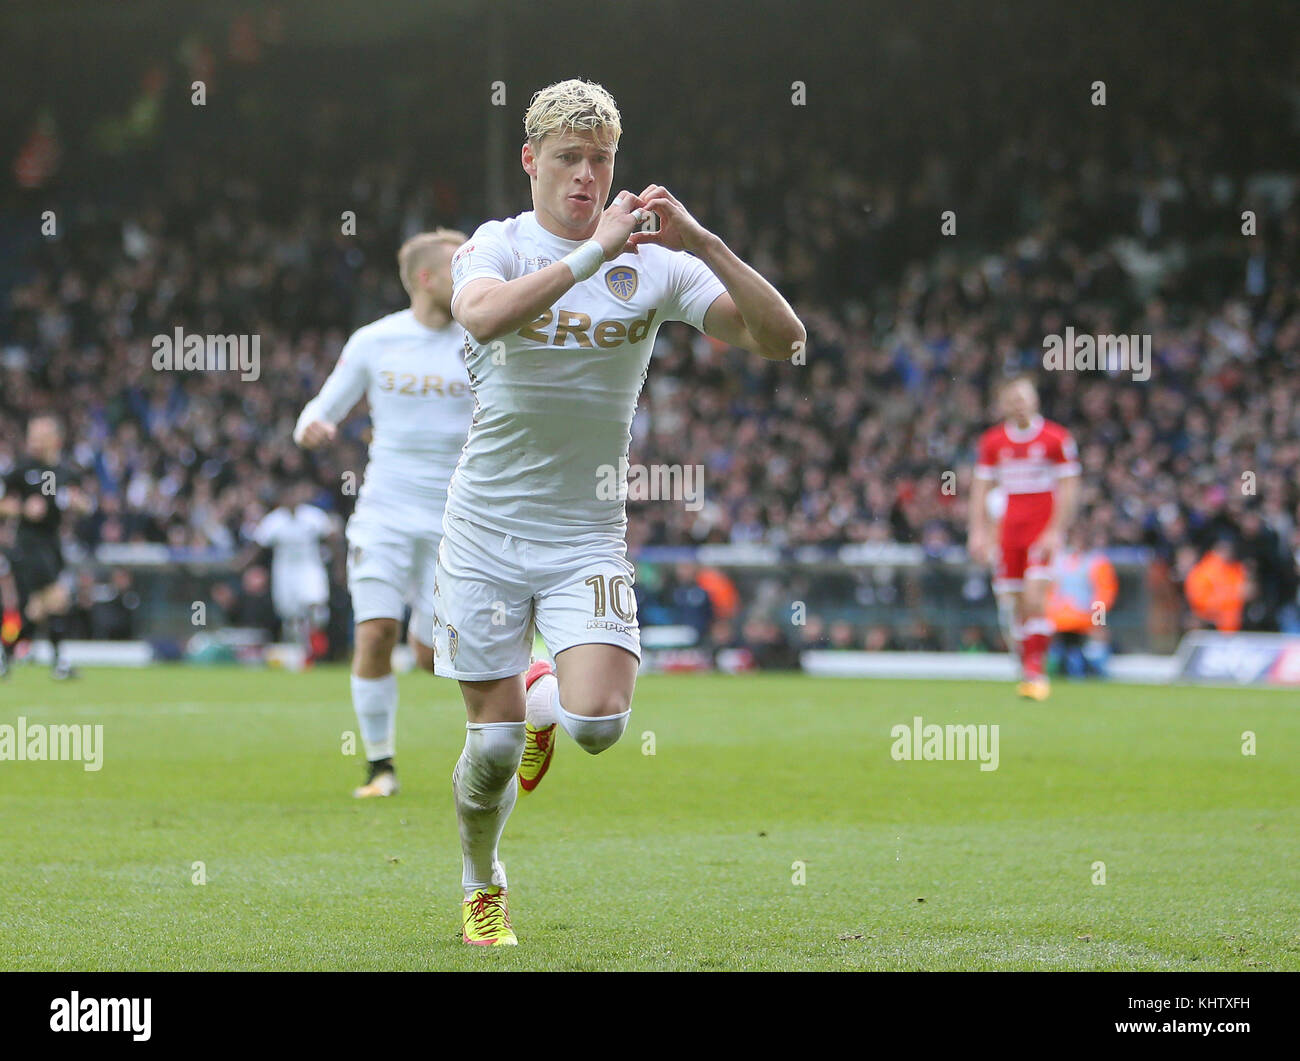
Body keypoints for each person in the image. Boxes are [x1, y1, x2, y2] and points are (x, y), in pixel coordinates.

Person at [438, 78, 804, 944]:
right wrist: (593, 254)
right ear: (531, 161)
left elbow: (784, 340)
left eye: (600, 161)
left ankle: (546, 705)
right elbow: (483, 318)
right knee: (488, 755)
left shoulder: (654, 262)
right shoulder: (500, 246)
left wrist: (705, 243)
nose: (586, 177)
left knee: (599, 723)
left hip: (584, 534)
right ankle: (481, 884)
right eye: (568, 158)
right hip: (484, 531)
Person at [296, 230, 474, 798]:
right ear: (426, 278)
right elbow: (319, 409)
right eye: (459, 269)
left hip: (457, 521)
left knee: (430, 655)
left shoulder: (484, 338)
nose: (471, 279)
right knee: (374, 633)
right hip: (385, 513)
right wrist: (313, 428)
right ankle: (380, 768)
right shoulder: (376, 341)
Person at [968, 377, 1080, 700]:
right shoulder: (992, 442)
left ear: (1035, 400)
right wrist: (978, 531)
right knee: (1014, 603)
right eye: (1012, 399)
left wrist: (1056, 531)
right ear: (1003, 404)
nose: (1019, 403)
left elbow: (1070, 487)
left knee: (1034, 597)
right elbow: (981, 488)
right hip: (1007, 533)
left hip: (1041, 531)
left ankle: (1035, 669)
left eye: (1024, 397)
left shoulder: (1056, 438)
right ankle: (1027, 661)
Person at [0, 415, 92, 679]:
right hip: (29, 544)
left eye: (40, 436)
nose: (34, 442)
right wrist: (22, 509)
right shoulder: (20, 471)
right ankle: (60, 664)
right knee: (57, 598)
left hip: (53, 544)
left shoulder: (66, 472)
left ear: (55, 439)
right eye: (32, 436)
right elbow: (3, 504)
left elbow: (85, 504)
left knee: (36, 610)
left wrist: (79, 503)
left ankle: (5, 655)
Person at [243, 481, 339, 664]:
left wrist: (339, 566)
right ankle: (302, 655)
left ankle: (316, 641)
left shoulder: (313, 516)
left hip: (310, 567)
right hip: (285, 572)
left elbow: (332, 539)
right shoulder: (274, 521)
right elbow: (257, 546)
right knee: (291, 616)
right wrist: (242, 567)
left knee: (315, 604)